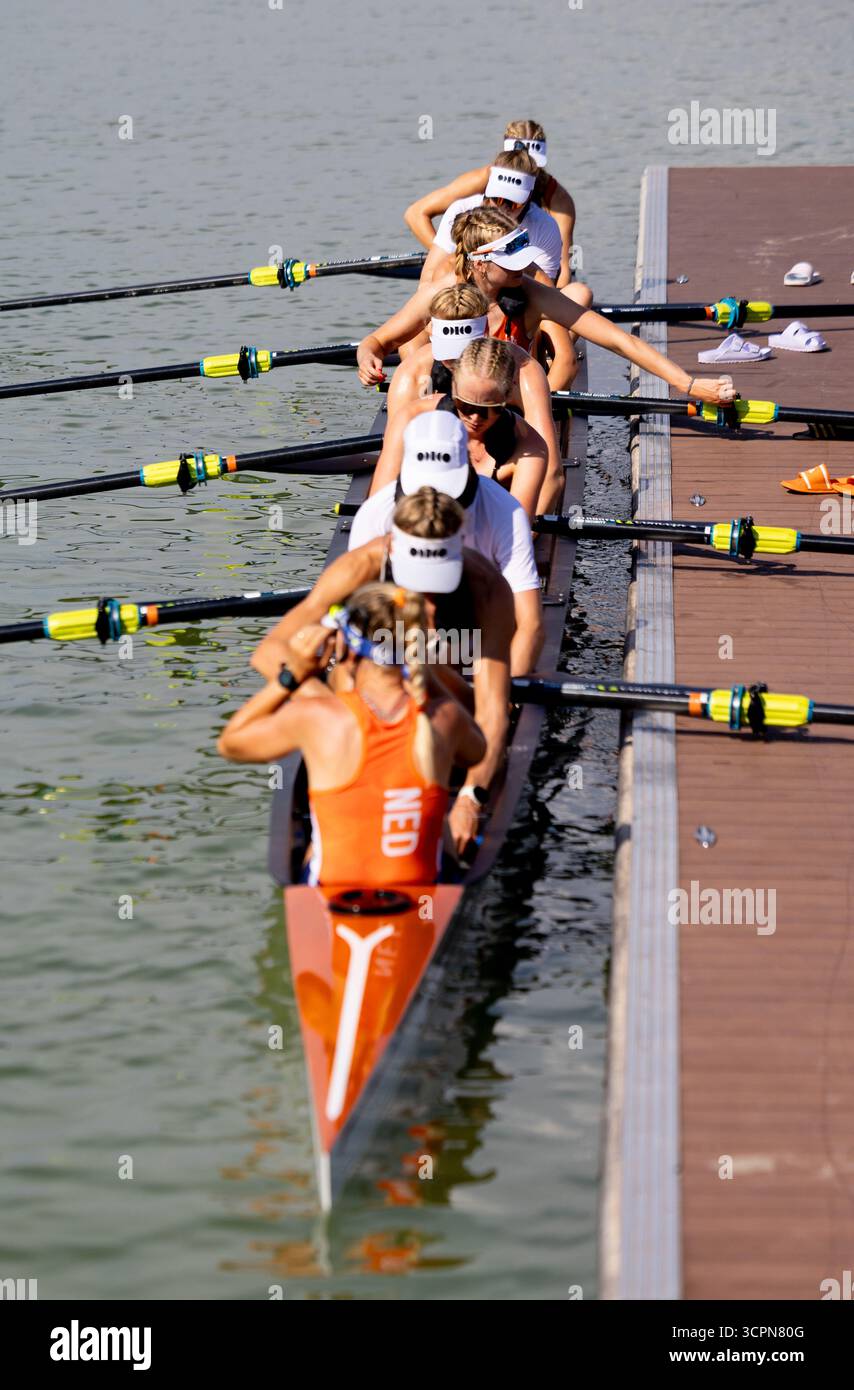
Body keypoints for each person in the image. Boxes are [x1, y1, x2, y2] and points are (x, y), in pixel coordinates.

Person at [252, 488, 514, 857]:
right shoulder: (360, 566)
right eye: (417, 583)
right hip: (369, 712)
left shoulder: (488, 588)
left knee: (430, 665)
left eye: (439, 583)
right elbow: (270, 651)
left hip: (443, 716)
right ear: (393, 549)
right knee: (345, 673)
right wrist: (333, 716)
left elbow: (492, 712)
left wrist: (471, 801)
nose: (430, 602)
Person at [218, 583, 485, 887]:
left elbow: (230, 744)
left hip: (336, 890)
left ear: (345, 646)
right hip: (420, 891)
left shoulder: (318, 717)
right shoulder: (443, 718)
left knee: (324, 836)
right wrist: (427, 676)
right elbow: (477, 750)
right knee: (441, 831)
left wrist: (290, 676)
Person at [357, 206, 739, 404]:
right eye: (511, 264)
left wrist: (689, 384)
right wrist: (368, 360)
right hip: (449, 401)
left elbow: (620, 343)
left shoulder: (532, 295)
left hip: (511, 407)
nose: (523, 269)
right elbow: (376, 342)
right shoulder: (440, 293)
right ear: (479, 262)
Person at [351, 409, 544, 674]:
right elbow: (356, 624)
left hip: (473, 632)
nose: (437, 502)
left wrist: (509, 690)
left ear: (468, 464)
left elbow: (529, 625)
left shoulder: (505, 513)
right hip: (398, 635)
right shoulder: (374, 515)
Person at [387, 284, 564, 511]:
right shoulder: (411, 375)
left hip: (504, 469)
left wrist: (526, 535)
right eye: (449, 352)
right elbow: (394, 468)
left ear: (487, 332)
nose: (456, 362)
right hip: (437, 475)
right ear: (432, 332)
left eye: (464, 351)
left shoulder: (523, 370)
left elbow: (552, 474)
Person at [404, 118, 578, 288]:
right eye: (497, 198)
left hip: (522, 281)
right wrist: (456, 256)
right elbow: (415, 214)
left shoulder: (557, 205)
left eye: (513, 203)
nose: (502, 208)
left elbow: (562, 274)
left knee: (580, 293)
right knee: (446, 267)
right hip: (470, 271)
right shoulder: (469, 198)